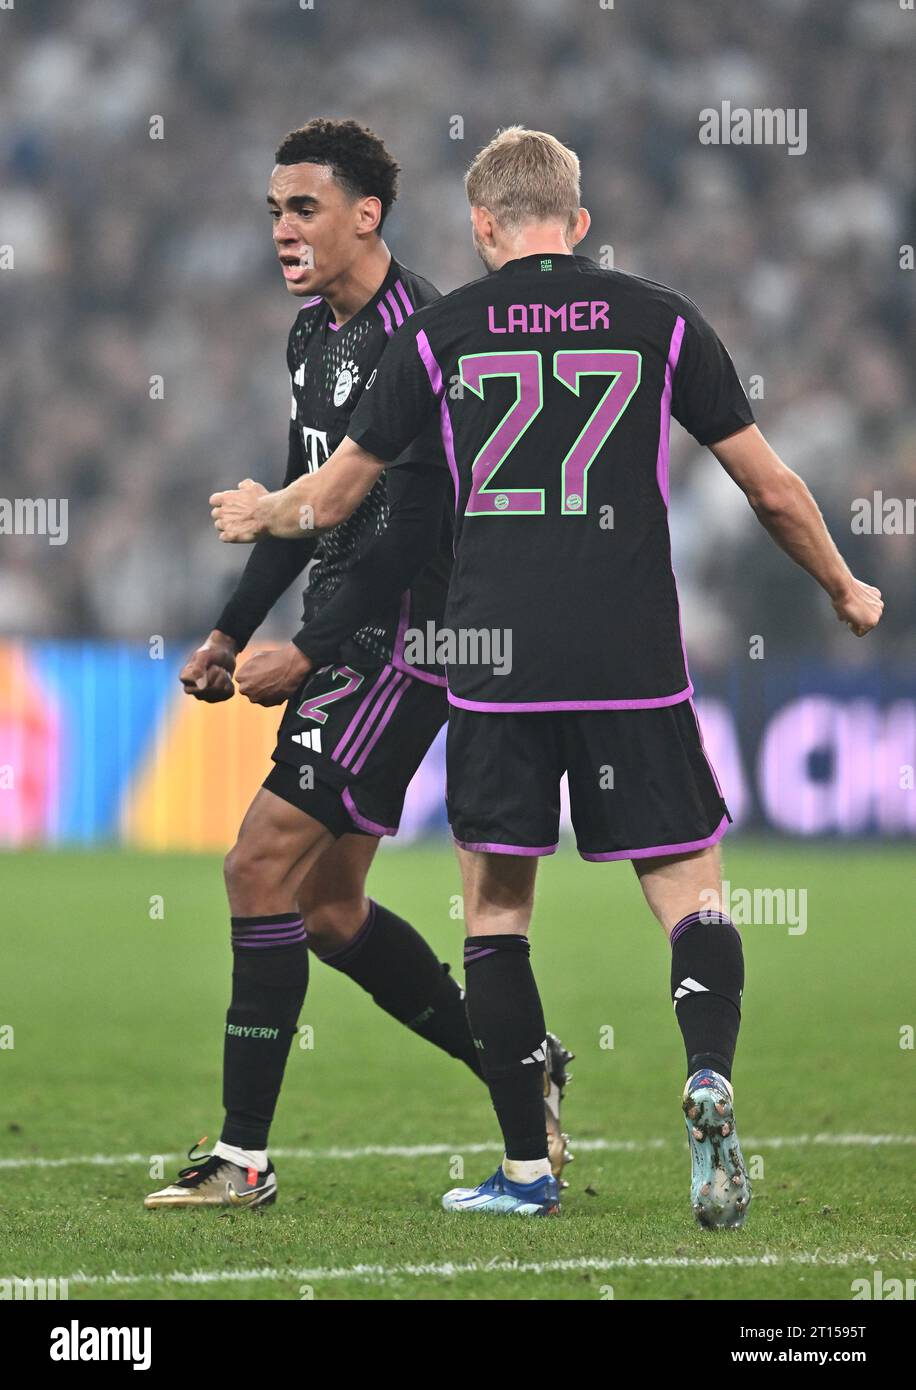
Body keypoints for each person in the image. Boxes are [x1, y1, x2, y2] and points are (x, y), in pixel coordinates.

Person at [210, 126, 883, 1225]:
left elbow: (332, 499)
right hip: (632, 660)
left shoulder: (436, 333)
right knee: (690, 892)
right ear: (577, 222)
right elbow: (767, 486)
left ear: (481, 229)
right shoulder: (660, 318)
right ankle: (705, 1073)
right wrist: (844, 588)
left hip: (495, 659)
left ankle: (526, 1172)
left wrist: (260, 513)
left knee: (499, 915)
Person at [146, 120, 573, 1212]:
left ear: (366, 214)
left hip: (414, 639)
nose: (281, 228)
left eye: (303, 208)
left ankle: (243, 1158)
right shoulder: (312, 338)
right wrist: (233, 630)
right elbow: (303, 506)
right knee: (329, 908)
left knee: (256, 866)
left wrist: (314, 646)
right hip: (358, 632)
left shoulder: (417, 333)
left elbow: (413, 517)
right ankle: (523, 1067)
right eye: (273, 209)